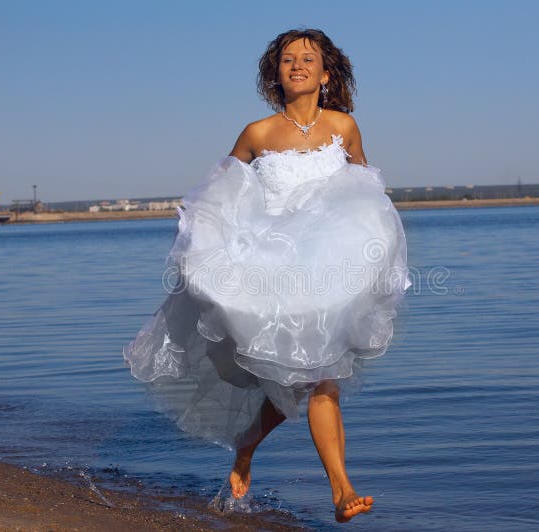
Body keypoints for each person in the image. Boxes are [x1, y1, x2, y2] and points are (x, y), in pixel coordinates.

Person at [124, 28, 410, 523]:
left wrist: (373, 252)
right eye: (286, 60)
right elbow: (222, 191)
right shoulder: (257, 133)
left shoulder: (344, 127)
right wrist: (198, 222)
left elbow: (367, 192)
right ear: (274, 74)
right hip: (273, 269)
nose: (296, 65)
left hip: (329, 274)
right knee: (300, 381)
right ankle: (250, 446)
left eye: (308, 58)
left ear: (326, 74)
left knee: (322, 379)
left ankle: (340, 490)